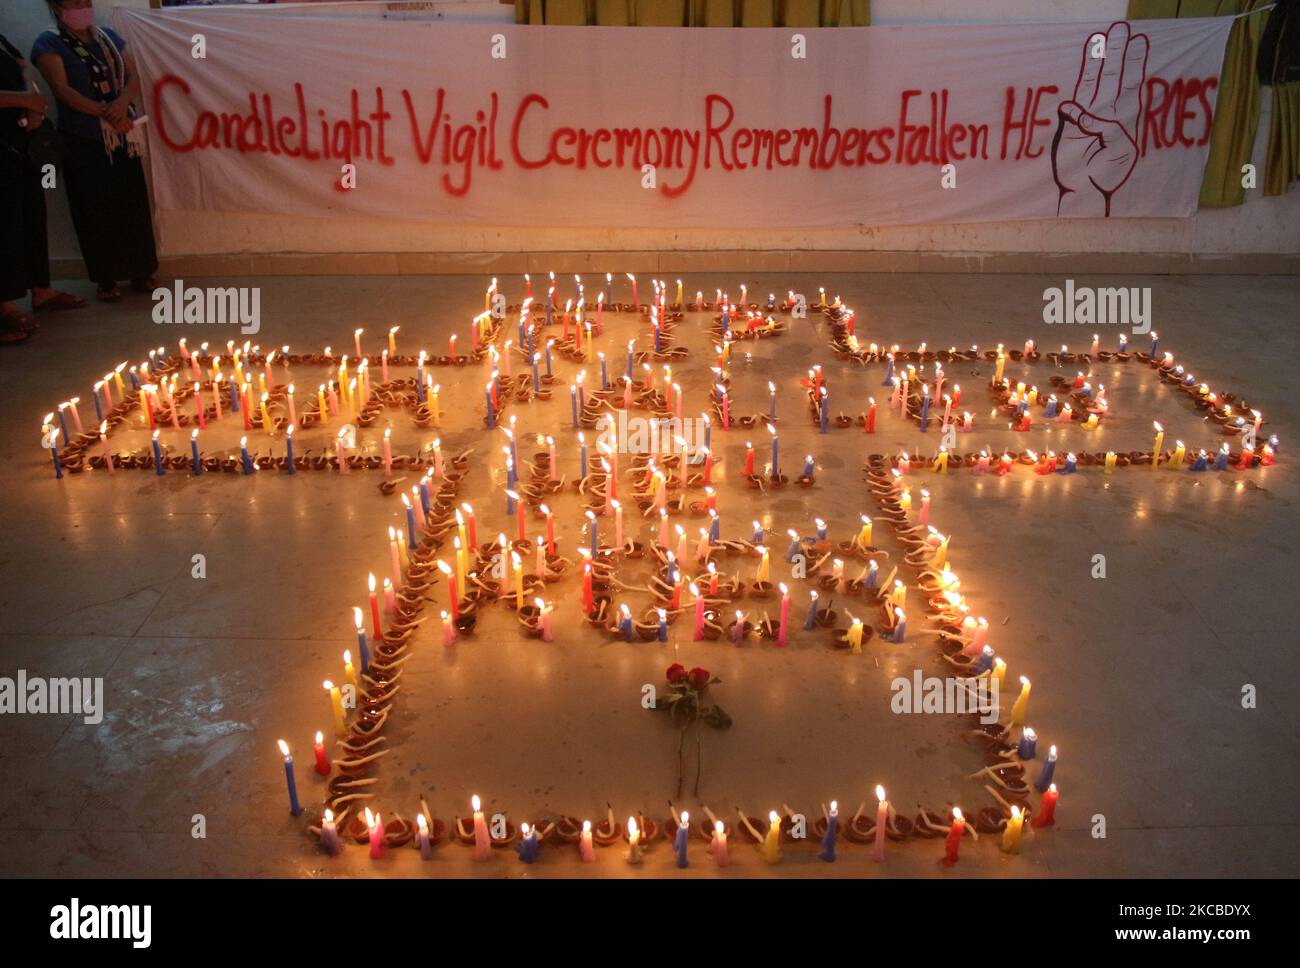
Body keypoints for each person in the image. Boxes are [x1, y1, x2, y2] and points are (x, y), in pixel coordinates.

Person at [32, 0, 158, 304]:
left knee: (132, 201)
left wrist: (120, 104)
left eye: (85, 2)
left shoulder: (108, 37)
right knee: (94, 208)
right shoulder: (48, 43)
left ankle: (141, 271)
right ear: (57, 7)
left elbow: (134, 75)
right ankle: (106, 278)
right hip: (84, 137)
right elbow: (61, 89)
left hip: (123, 134)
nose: (81, 7)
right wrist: (105, 112)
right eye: (73, 3)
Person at [1, 32, 85, 344]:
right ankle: (4, 306)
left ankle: (41, 289)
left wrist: (34, 110)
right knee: (4, 224)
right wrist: (23, 101)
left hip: (19, 143)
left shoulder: (3, 41)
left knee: (31, 214)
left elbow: (23, 76)